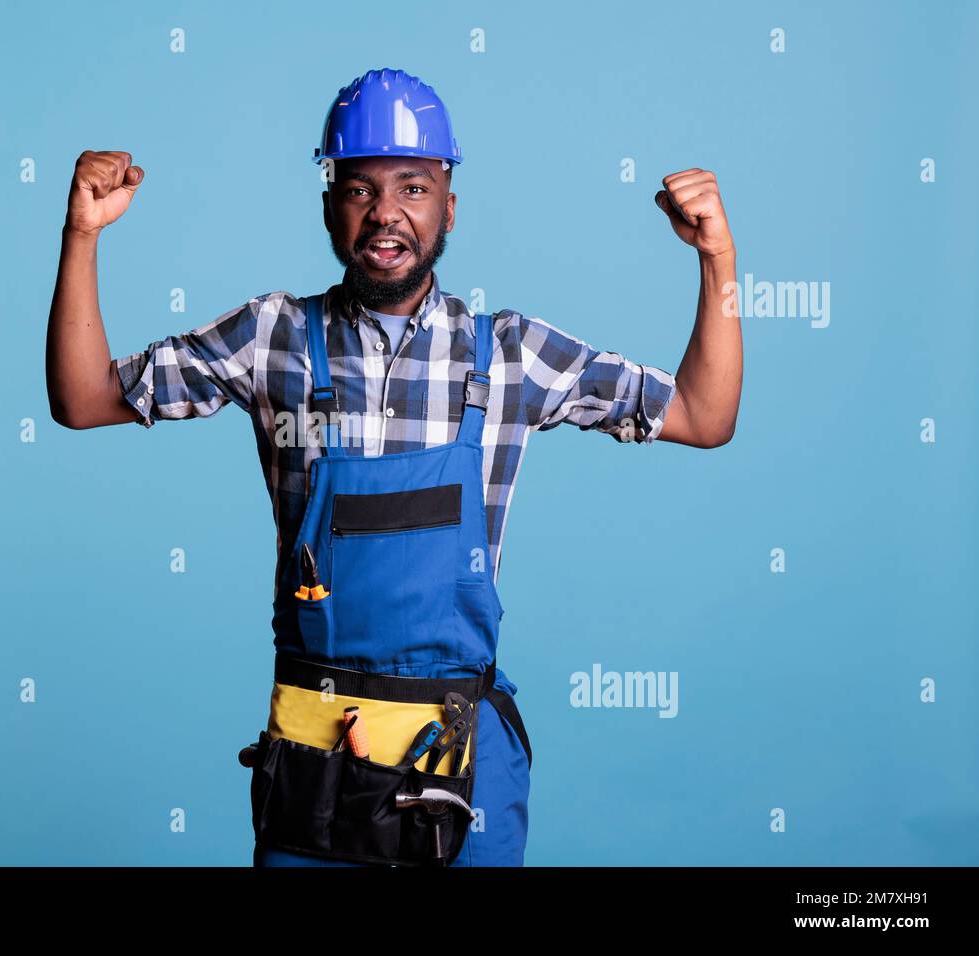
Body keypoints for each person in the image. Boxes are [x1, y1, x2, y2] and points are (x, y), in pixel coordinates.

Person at [44, 68, 742, 867]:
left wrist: (717, 259)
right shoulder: (271, 336)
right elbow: (84, 397)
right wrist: (82, 237)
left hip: (458, 763)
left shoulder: (510, 355)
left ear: (450, 205)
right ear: (328, 205)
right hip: (315, 762)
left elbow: (701, 414)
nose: (386, 213)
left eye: (413, 187)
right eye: (358, 188)